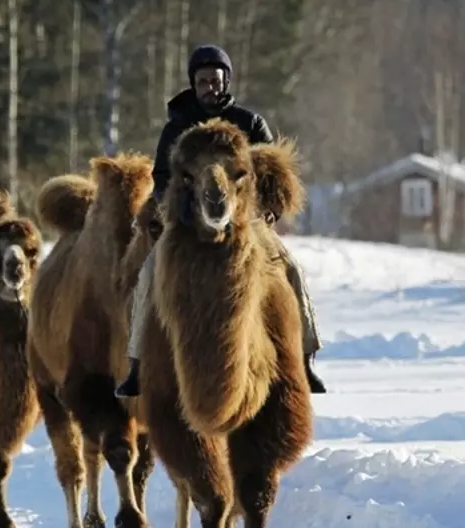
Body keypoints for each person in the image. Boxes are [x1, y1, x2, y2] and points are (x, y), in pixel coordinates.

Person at [114, 44, 327, 399]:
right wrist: (179, 208)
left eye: (215, 80)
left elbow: (272, 171)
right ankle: (137, 364)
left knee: (291, 268)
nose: (210, 87)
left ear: (226, 81)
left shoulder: (250, 123)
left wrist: (268, 207)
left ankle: (304, 359)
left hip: (247, 224)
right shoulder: (177, 128)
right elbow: (162, 178)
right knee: (149, 272)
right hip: (187, 224)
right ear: (193, 84)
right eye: (203, 82)